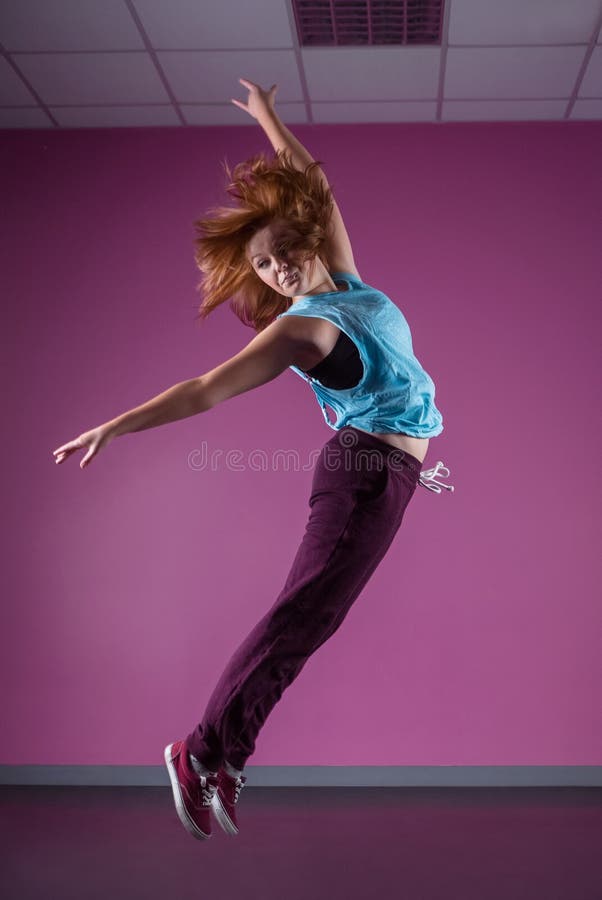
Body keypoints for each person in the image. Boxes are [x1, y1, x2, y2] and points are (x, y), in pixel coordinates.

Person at [52, 77, 453, 843]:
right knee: (301, 616)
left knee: (313, 619)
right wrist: (114, 425)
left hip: (394, 479)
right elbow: (203, 390)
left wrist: (270, 116)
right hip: (364, 476)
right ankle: (200, 751)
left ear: (305, 243)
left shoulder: (352, 286)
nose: (275, 273)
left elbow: (317, 186)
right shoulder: (305, 330)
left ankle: (223, 757)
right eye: (264, 270)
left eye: (281, 256)